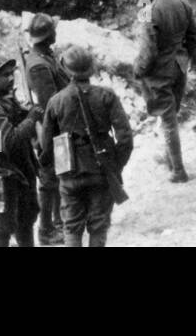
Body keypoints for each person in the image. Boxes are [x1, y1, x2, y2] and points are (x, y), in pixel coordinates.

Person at [41, 46, 133, 247]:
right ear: (91, 68)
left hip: (69, 173)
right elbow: (125, 138)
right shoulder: (106, 96)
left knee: (72, 228)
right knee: (98, 227)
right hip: (101, 169)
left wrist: (55, 170)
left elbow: (46, 145)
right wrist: (116, 165)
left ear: (65, 69)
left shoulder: (55, 102)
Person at [134, 0, 196, 182]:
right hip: (180, 67)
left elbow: (148, 51)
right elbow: (195, 35)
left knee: (168, 120)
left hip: (159, 73)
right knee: (173, 115)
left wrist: (138, 70)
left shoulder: (148, 11)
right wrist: (190, 58)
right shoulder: (182, 2)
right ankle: (170, 157)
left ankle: (178, 170)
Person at [0, 54, 42, 247]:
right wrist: (31, 119)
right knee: (2, 228)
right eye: (5, 75)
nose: (11, 78)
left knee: (26, 219)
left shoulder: (4, 99)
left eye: (12, 73)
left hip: (15, 171)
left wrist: (25, 114)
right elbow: (8, 142)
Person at [23, 14, 69, 245]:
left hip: (56, 127)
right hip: (51, 130)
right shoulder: (38, 66)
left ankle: (59, 221)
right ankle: (46, 229)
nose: (56, 33)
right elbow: (50, 104)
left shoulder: (44, 56)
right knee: (51, 178)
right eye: (53, 30)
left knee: (60, 175)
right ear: (48, 35)